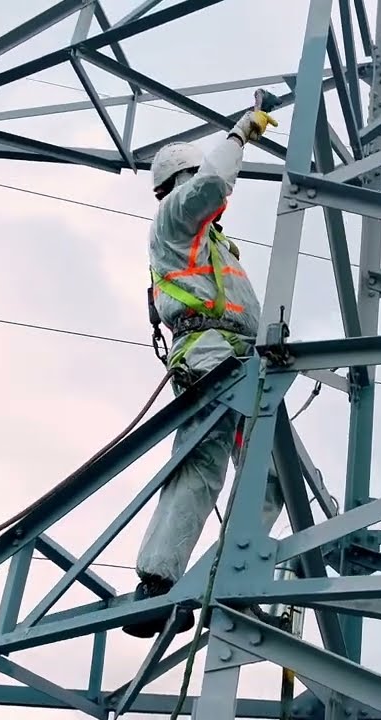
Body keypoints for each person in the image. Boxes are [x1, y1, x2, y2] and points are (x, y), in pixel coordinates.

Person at [123, 106, 285, 638]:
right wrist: (239, 136)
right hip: (210, 356)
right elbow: (213, 184)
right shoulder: (173, 219)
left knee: (272, 477)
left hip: (246, 362)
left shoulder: (218, 247)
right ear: (182, 181)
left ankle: (224, 575)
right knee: (201, 461)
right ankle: (157, 582)